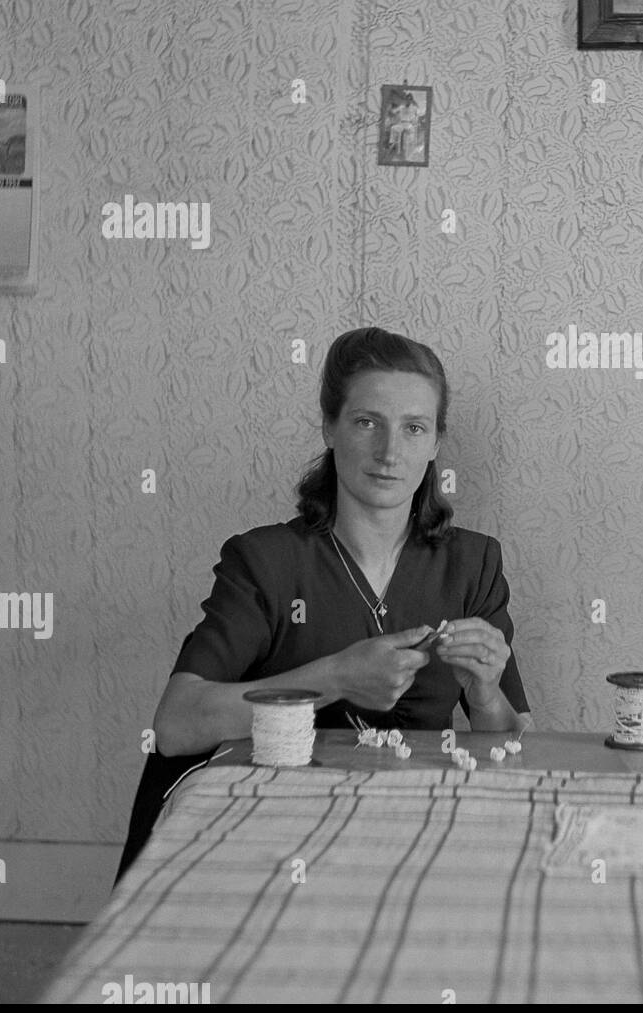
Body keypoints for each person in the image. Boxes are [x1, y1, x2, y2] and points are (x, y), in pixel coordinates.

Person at [117, 327, 530, 878]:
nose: (389, 452)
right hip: (273, 839)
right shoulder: (265, 560)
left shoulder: (473, 563)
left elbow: (512, 740)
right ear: (330, 427)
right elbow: (175, 724)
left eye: (413, 428)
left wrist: (483, 693)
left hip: (410, 835)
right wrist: (334, 677)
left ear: (435, 444)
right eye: (366, 423)